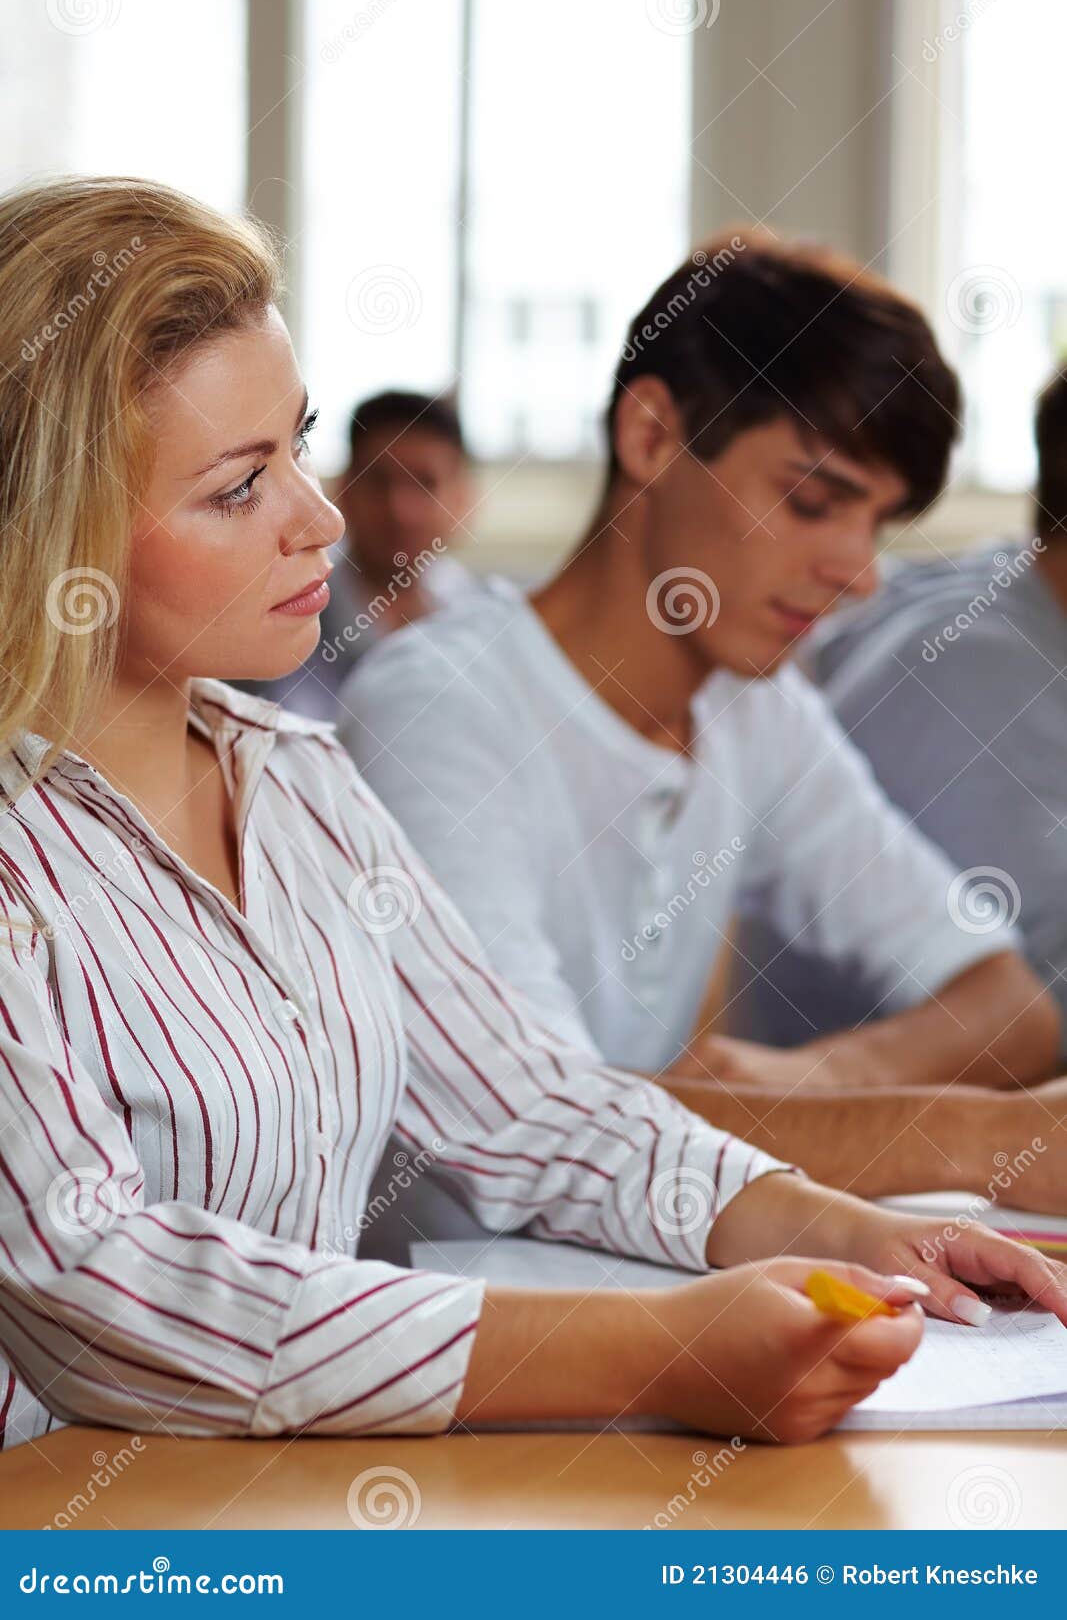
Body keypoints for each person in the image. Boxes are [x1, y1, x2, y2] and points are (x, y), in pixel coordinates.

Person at [9, 179, 1062, 1458]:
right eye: (239, 487)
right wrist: (656, 1353)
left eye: (300, 445)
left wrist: (838, 1226)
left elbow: (527, 1103)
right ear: (49, 523)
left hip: (272, 1503)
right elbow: (100, 1285)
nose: (324, 519)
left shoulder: (293, 783)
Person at [340, 230, 1067, 1216]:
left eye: (875, 525)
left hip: (658, 1289)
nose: (855, 573)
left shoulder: (753, 709)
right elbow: (531, 1124)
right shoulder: (436, 704)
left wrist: (814, 1082)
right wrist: (976, 1136)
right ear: (649, 436)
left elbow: (1005, 1003)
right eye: (812, 501)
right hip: (466, 1317)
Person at [737, 364, 1067, 1060]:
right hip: (834, 1130)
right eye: (809, 500)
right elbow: (1034, 1021)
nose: (855, 567)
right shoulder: (977, 677)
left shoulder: (997, 586)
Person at [252, 389, 477, 720]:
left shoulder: (472, 612)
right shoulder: (290, 616)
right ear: (344, 490)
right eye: (378, 481)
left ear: (461, 499)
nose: (400, 510)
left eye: (424, 483)